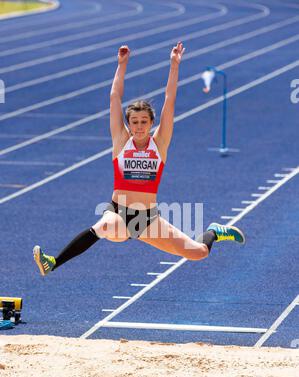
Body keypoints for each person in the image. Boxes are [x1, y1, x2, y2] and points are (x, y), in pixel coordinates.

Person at [33, 42, 245, 277]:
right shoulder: (122, 141)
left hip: (147, 218)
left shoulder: (160, 143)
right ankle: (52, 261)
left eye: (144, 121)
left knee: (199, 252)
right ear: (129, 124)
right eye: (134, 122)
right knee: (104, 226)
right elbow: (114, 97)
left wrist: (174, 65)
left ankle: (214, 231)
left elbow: (169, 100)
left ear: (151, 123)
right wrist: (122, 65)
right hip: (118, 212)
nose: (139, 126)